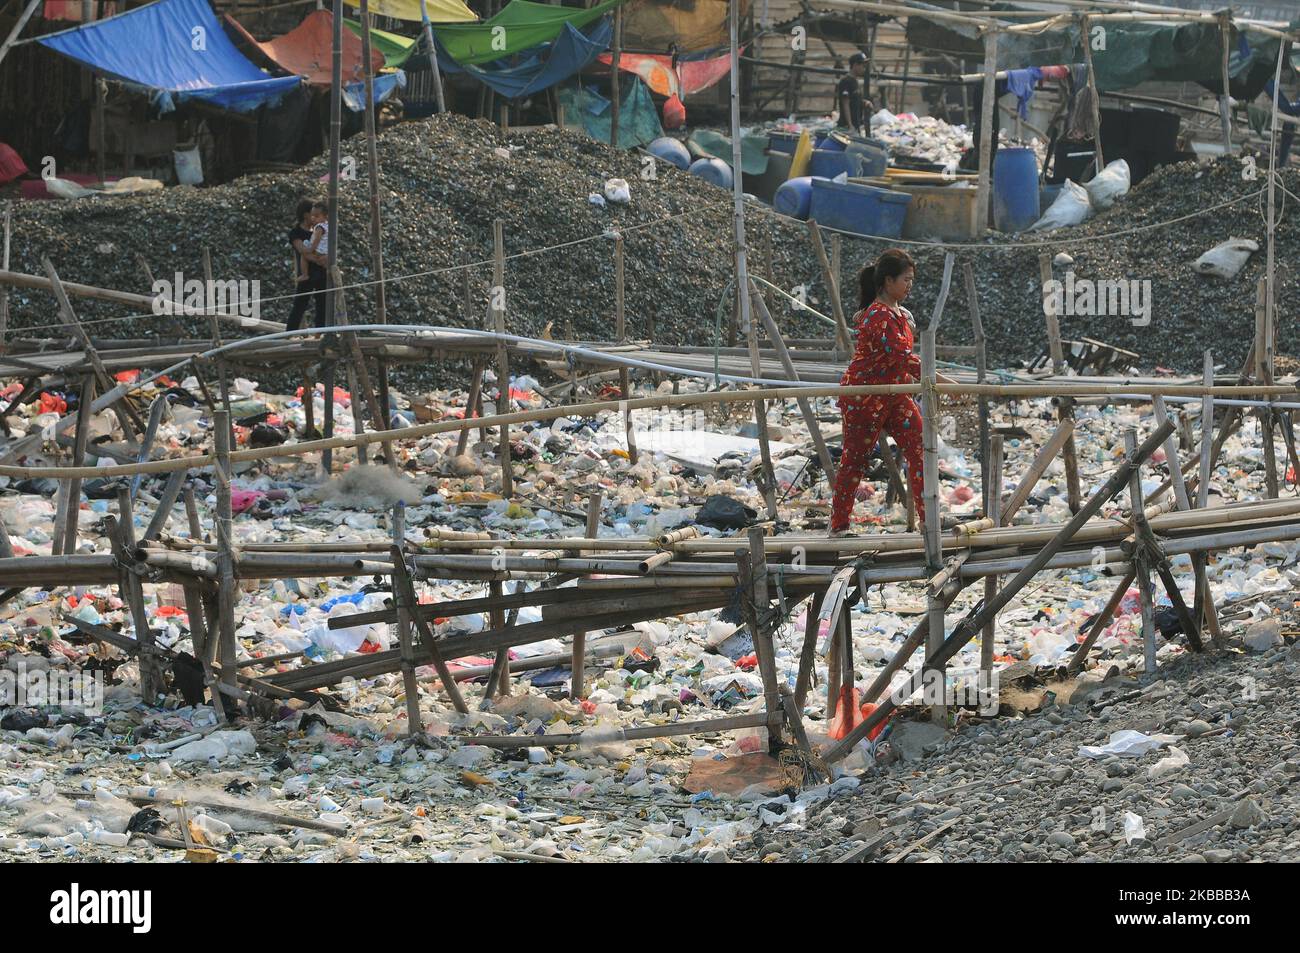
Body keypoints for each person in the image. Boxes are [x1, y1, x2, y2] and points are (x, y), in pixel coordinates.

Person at [829, 249, 926, 537]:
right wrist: (941, 380)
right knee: (855, 460)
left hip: (896, 394)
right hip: (865, 397)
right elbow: (903, 357)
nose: (909, 286)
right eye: (905, 280)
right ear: (887, 281)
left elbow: (905, 360)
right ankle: (838, 526)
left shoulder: (901, 314)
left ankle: (928, 519)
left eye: (912, 280)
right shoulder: (877, 316)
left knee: (920, 450)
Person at [287, 198, 327, 332]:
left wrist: (325, 258)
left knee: (322, 305)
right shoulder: (296, 232)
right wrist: (317, 259)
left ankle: (320, 334)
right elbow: (302, 250)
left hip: (321, 272)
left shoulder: (318, 230)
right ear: (305, 215)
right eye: (313, 214)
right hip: (306, 273)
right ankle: (289, 334)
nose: (315, 217)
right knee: (300, 305)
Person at [836, 51, 872, 137]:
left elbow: (855, 99)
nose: (864, 69)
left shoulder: (855, 81)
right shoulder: (846, 81)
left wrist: (864, 102)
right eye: (862, 66)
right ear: (855, 65)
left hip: (856, 125)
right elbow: (846, 103)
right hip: (847, 126)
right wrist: (850, 125)